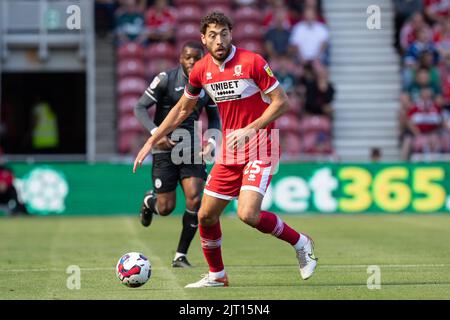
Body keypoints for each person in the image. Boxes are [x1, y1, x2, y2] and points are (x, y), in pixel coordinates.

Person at [133, 12, 318, 287]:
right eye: (212, 35)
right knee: (206, 215)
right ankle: (217, 275)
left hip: (260, 146)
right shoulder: (201, 70)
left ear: (231, 34)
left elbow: (282, 102)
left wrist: (251, 128)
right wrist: (153, 138)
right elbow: (183, 109)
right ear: (203, 39)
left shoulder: (252, 61)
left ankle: (301, 242)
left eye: (223, 34)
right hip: (230, 152)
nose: (219, 40)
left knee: (247, 215)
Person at [133, 41, 221, 268]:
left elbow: (214, 118)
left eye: (196, 58)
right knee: (166, 208)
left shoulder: (208, 84)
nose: (192, 61)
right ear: (180, 58)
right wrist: (155, 134)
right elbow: (139, 107)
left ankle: (180, 255)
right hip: (163, 149)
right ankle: (148, 201)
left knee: (194, 198)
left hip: (191, 149)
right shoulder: (165, 79)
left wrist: (211, 141)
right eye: (188, 57)